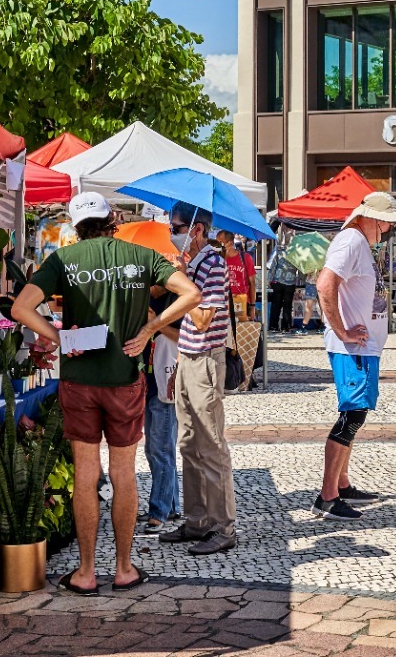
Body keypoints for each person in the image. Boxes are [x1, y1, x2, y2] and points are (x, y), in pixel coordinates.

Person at [11, 191, 201, 594]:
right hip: (125, 379)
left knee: (85, 474)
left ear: (75, 225)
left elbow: (19, 308)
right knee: (123, 473)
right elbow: (192, 295)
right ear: (111, 218)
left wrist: (58, 336)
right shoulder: (141, 256)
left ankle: (84, 572)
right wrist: (149, 329)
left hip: (79, 380)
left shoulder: (62, 260)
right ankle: (124, 568)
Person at [312, 191, 396, 520]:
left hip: (362, 347)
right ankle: (327, 496)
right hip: (352, 348)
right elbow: (325, 284)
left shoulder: (357, 242)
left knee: (355, 414)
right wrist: (342, 331)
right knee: (352, 415)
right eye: (388, 224)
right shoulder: (352, 240)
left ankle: (341, 484)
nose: (388, 230)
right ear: (375, 218)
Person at [163, 203, 238, 555]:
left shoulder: (213, 264)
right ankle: (197, 520)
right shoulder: (194, 265)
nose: (170, 231)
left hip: (207, 361)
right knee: (188, 443)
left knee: (210, 445)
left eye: (175, 225)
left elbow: (204, 319)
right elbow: (187, 329)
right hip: (190, 358)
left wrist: (184, 284)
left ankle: (223, 526)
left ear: (196, 229)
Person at [140, 280, 183, 533]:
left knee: (161, 448)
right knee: (153, 448)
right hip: (148, 380)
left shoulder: (177, 302)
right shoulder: (144, 299)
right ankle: (171, 504)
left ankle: (160, 510)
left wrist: (156, 322)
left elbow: (183, 337)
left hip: (165, 380)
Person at [216, 230, 256, 322]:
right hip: (222, 302)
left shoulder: (245, 258)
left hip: (241, 301)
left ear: (229, 243)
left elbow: (252, 283)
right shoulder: (217, 260)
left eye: (220, 243)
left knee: (240, 331)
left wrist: (252, 306)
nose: (217, 246)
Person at [269, 248, 304, 334]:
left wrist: (269, 279)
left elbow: (273, 266)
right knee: (287, 306)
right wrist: (302, 281)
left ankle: (273, 326)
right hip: (290, 282)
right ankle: (286, 327)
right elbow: (300, 270)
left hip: (277, 280)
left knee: (276, 305)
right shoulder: (297, 254)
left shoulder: (279, 252)